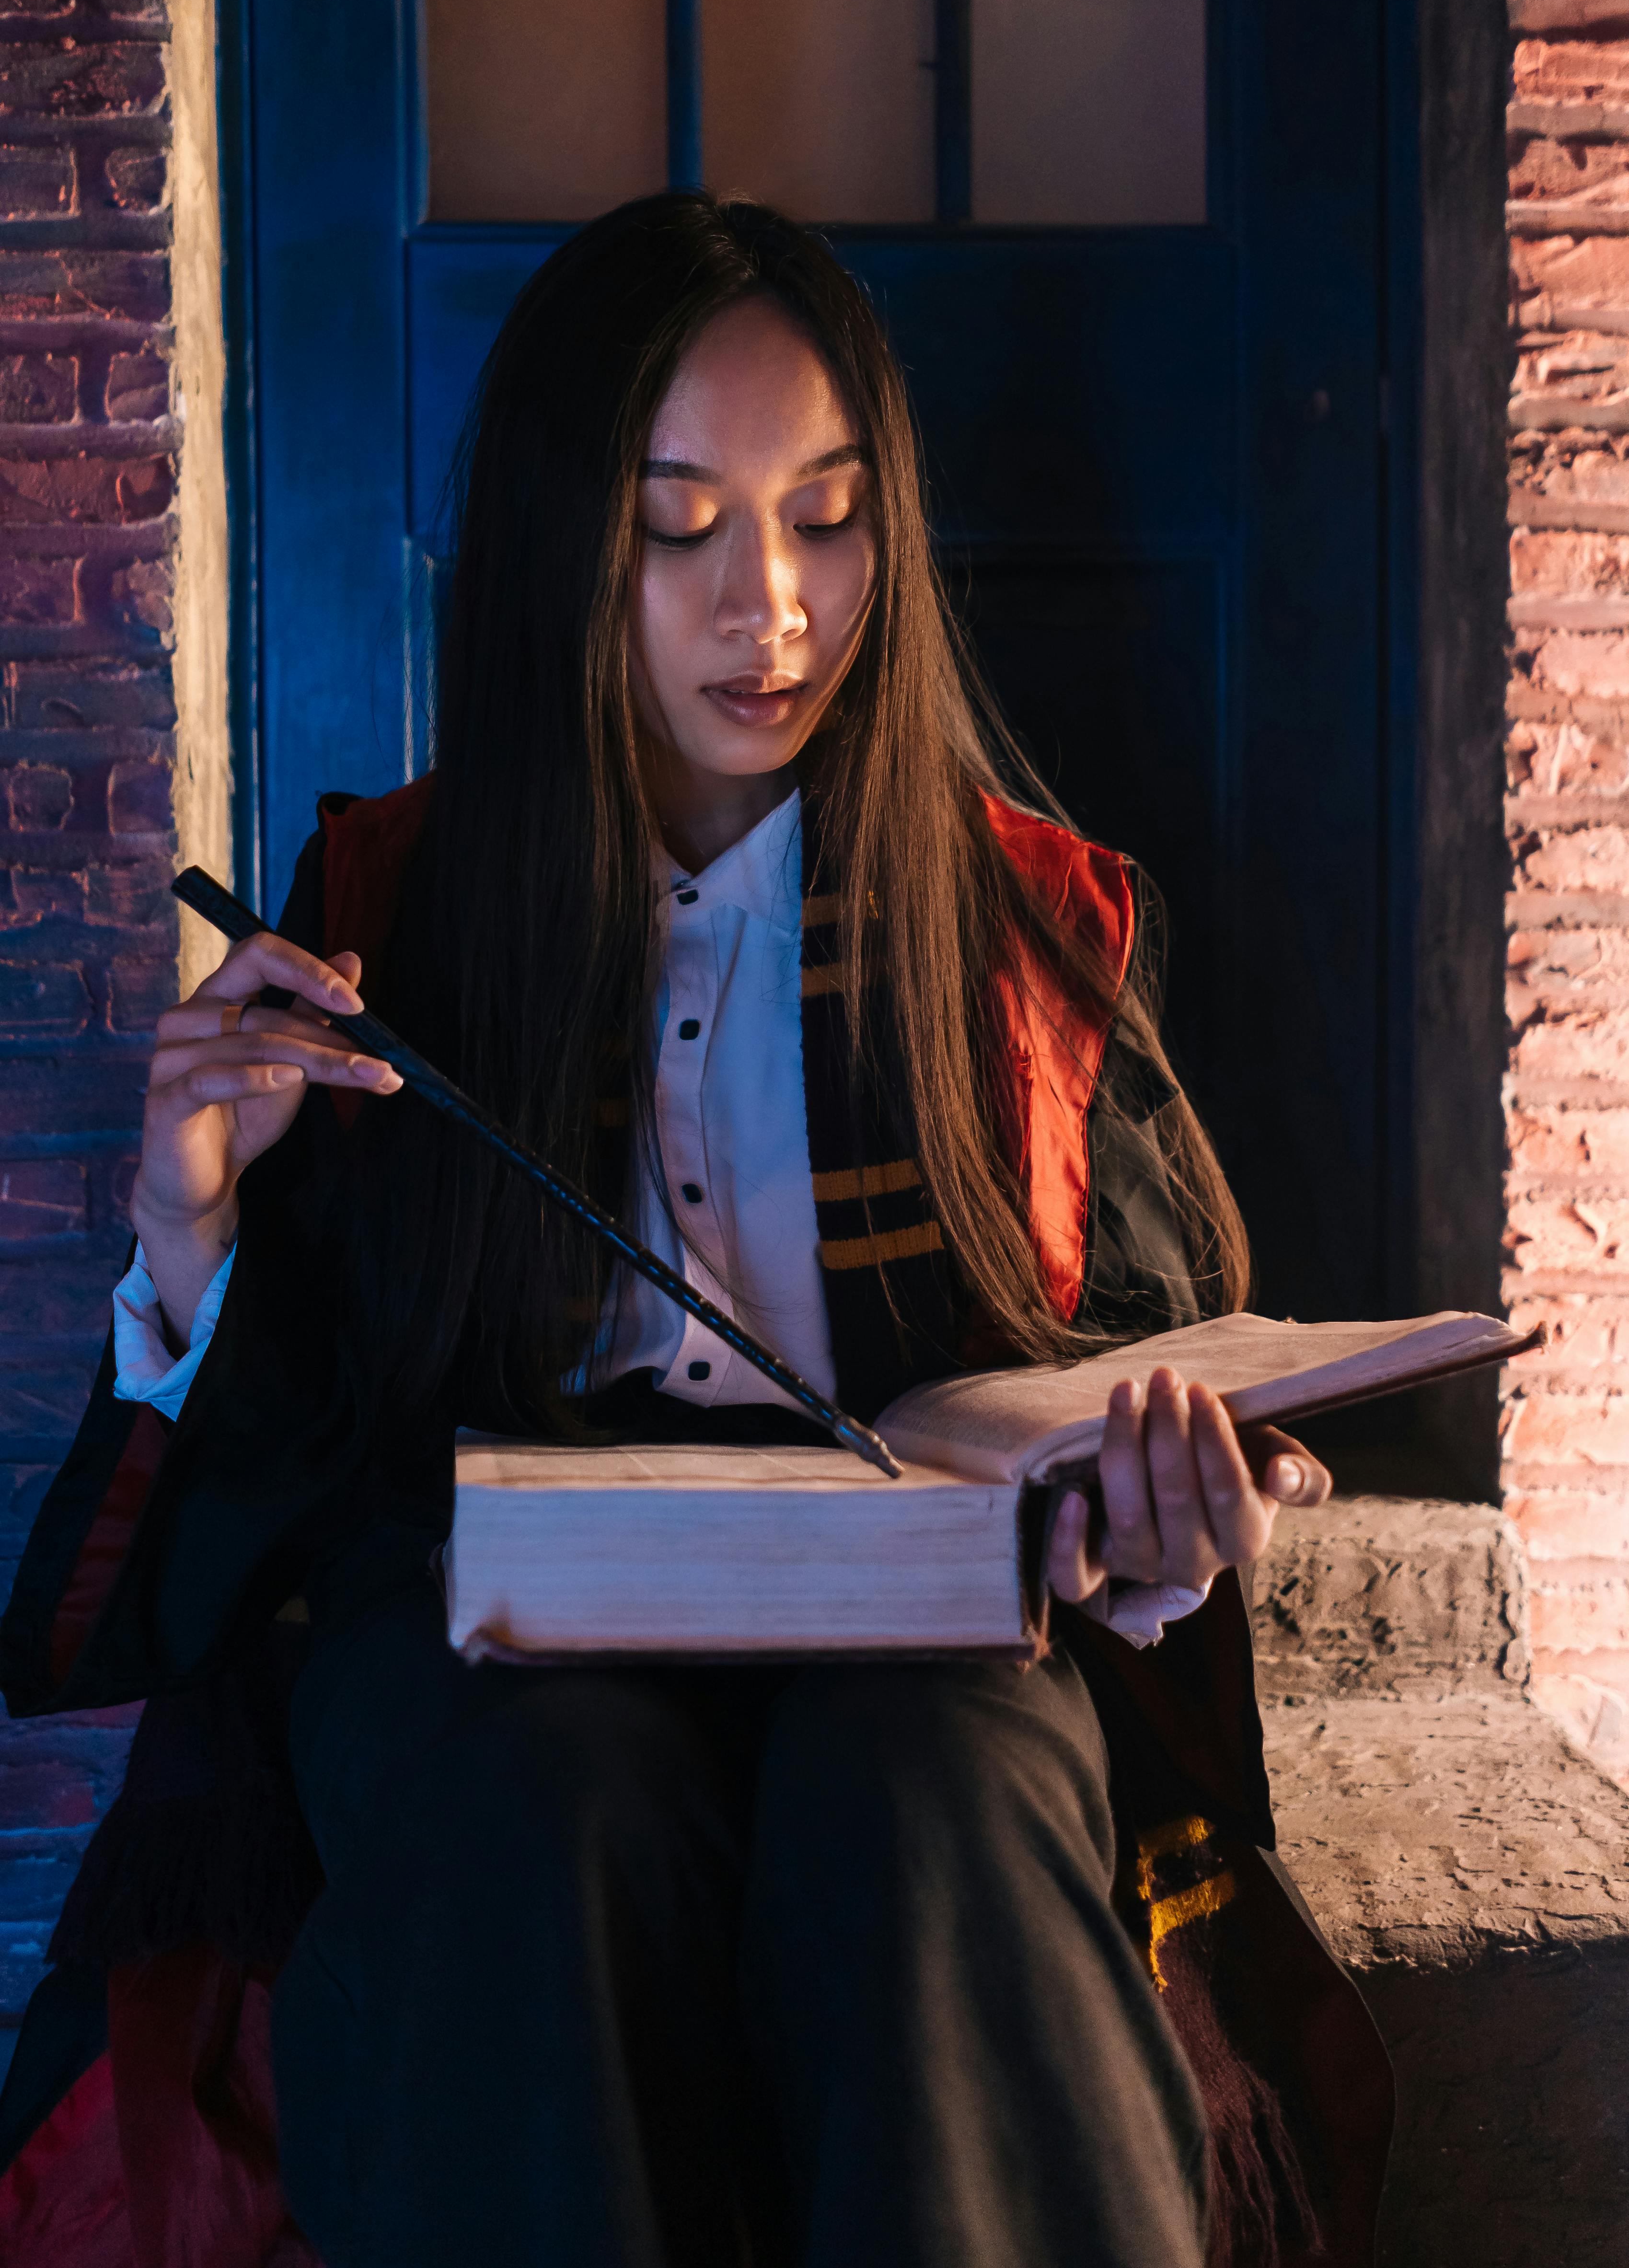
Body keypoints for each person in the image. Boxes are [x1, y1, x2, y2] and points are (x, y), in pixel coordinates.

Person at [0, 194, 1391, 2268]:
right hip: (496, 1637)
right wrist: (185, 1219)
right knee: (527, 1813)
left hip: (917, 1627)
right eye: (681, 527)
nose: (773, 608)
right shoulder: (392, 895)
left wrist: (1164, 1551)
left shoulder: (1026, 924)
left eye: (827, 519)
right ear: (572, 538)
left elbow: (1125, 1383)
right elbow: (277, 1477)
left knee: (936, 1798)